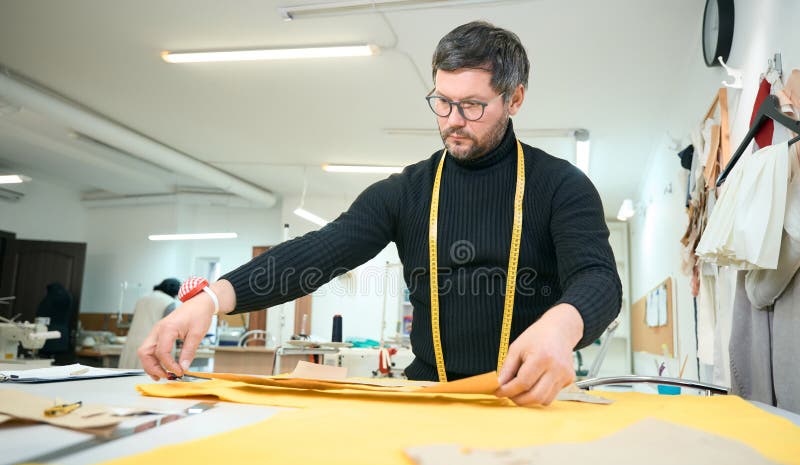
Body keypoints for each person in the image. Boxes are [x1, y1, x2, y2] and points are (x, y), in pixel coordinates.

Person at [138, 21, 622, 405]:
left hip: (529, 397)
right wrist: (209, 299)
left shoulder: (561, 185)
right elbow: (316, 253)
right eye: (442, 102)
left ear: (515, 99)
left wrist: (562, 326)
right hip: (428, 396)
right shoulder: (406, 191)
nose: (453, 120)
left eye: (473, 106)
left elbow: (598, 279)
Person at [119, 278, 180, 369]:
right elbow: (170, 327)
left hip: (132, 343)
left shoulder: (142, 298)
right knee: (149, 379)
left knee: (128, 376)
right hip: (153, 346)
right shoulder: (169, 302)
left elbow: (133, 319)